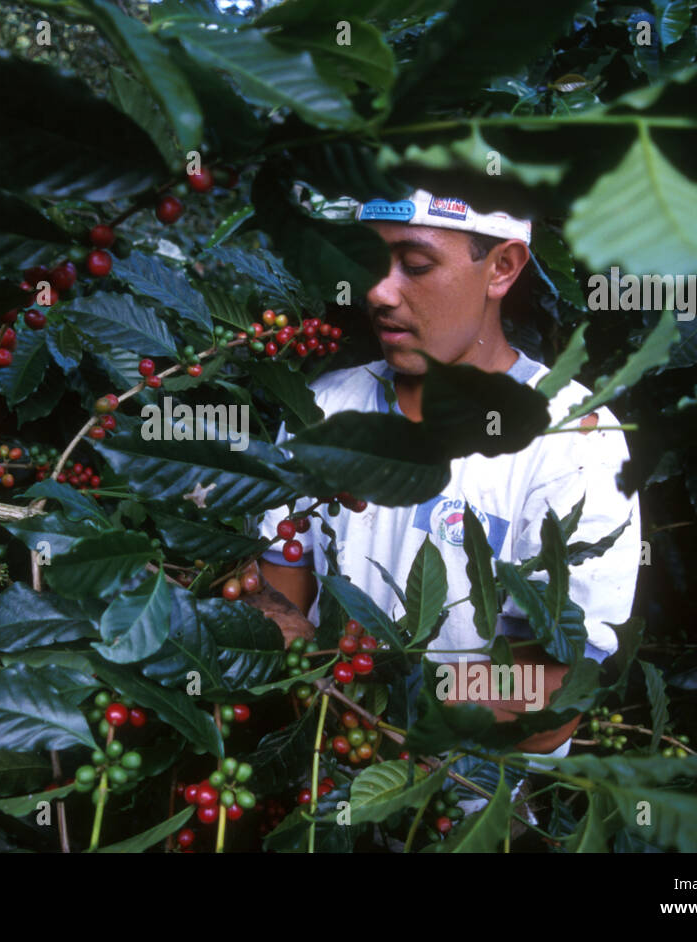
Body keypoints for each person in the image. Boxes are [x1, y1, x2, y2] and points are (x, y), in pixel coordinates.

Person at [244, 189, 641, 759]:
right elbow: (275, 590)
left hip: (472, 810)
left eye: (416, 265)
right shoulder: (322, 409)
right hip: (324, 790)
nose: (378, 292)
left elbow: (555, 691)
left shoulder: (575, 444)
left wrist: (379, 688)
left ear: (501, 267)